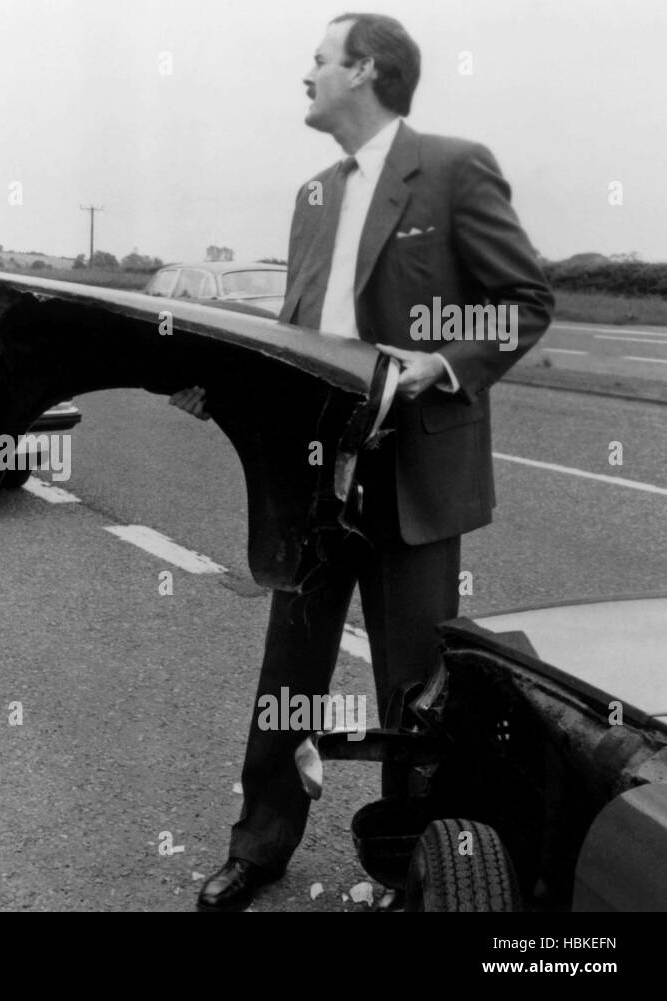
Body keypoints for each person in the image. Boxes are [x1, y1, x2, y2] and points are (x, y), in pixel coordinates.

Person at [170, 13, 553, 910]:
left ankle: (411, 868)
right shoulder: (311, 195)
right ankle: (260, 844)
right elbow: (299, 334)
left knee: (415, 698)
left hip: (415, 475)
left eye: (318, 59)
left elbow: (522, 301)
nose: (305, 73)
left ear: (366, 71)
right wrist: (217, 386)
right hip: (313, 478)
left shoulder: (454, 168)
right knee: (287, 679)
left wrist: (439, 360)